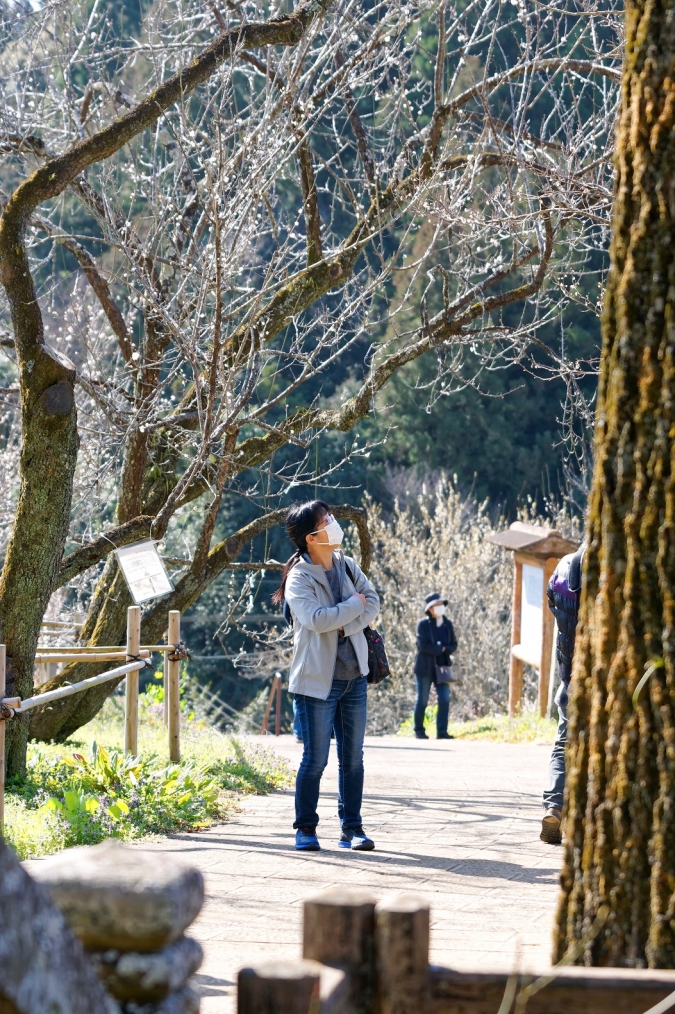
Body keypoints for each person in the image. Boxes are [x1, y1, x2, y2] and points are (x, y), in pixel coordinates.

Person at [272, 500, 380, 852]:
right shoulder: (299, 578)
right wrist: (353, 609)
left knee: (353, 759)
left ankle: (353, 829)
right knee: (315, 759)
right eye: (327, 521)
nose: (334, 524)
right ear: (312, 537)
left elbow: (374, 602)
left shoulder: (347, 566)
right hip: (316, 682)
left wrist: (342, 618)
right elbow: (317, 620)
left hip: (355, 678)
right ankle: (305, 829)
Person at [540, 542, 586, 845]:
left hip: (570, 672)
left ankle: (554, 806)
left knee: (563, 742)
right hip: (604, 679)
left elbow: (551, 599)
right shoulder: (614, 571)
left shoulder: (564, 568)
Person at [413, 592, 458, 740]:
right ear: (430, 609)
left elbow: (453, 644)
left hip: (442, 668)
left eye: (441, 604)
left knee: (445, 698)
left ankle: (442, 731)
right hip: (424, 668)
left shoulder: (447, 624)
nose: (440, 607)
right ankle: (419, 730)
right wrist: (441, 648)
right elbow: (422, 645)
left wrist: (443, 648)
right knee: (423, 700)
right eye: (437, 605)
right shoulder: (423, 625)